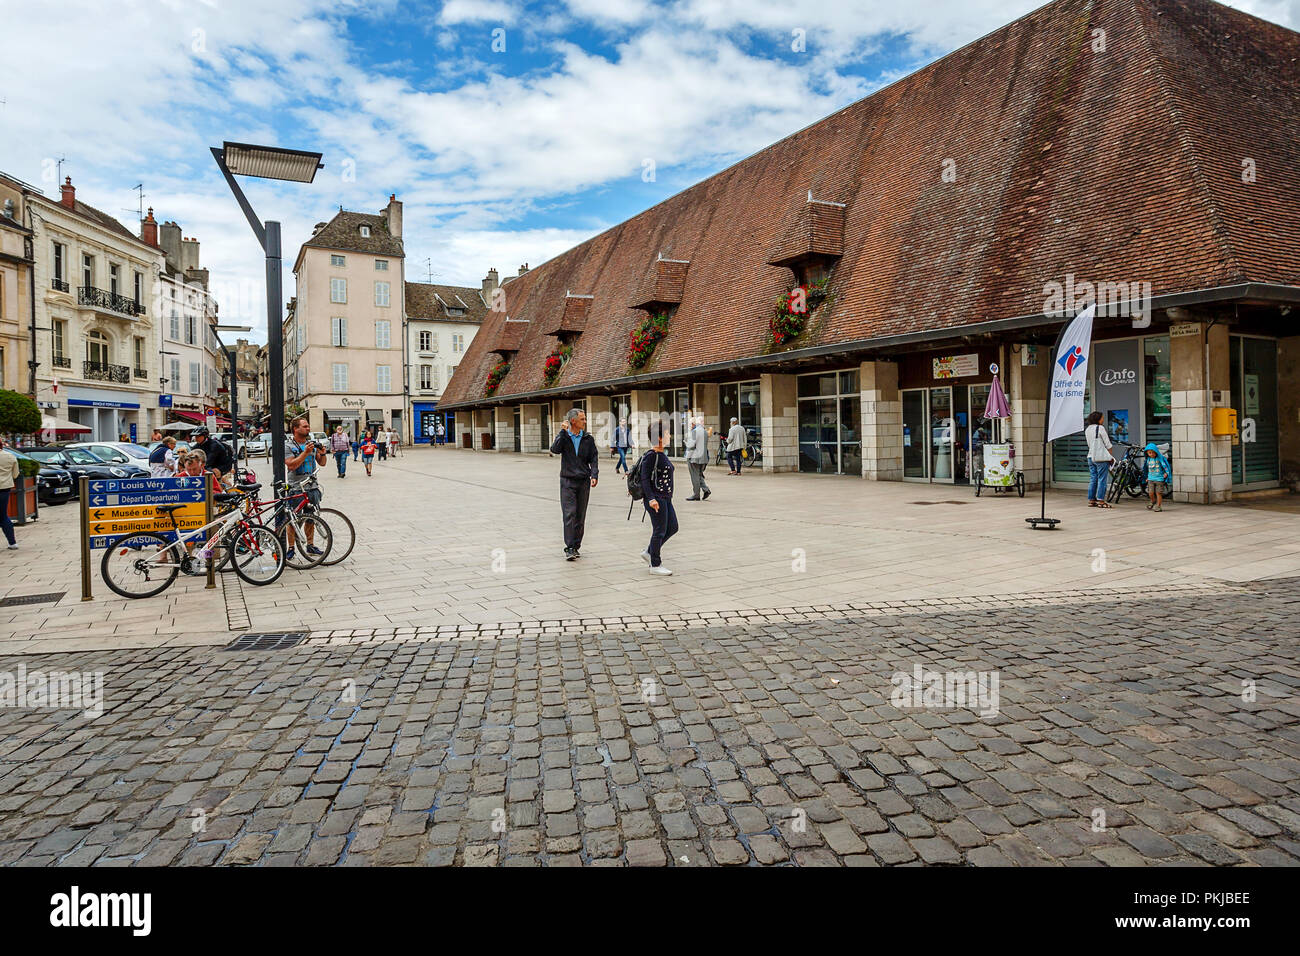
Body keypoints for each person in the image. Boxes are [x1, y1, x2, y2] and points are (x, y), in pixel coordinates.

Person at [550, 407, 599, 560]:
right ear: (573, 421)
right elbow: (555, 449)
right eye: (582, 419)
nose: (585, 422)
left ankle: (576, 546)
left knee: (580, 515)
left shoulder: (588, 439)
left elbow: (594, 458)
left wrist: (594, 474)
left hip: (583, 481)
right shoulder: (565, 436)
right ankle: (569, 547)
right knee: (569, 514)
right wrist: (562, 433)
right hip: (567, 481)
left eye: (585, 419)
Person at [284, 415, 328, 558]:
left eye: (308, 426)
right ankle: (291, 548)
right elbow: (291, 465)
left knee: (311, 518)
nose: (308, 428)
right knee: (293, 520)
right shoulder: (288, 446)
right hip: (296, 488)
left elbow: (322, 463)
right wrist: (305, 452)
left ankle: (310, 545)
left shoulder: (311, 444)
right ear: (295, 429)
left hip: (312, 487)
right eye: (305, 426)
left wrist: (323, 453)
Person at [639, 419, 676, 575]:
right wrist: (651, 499)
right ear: (659, 437)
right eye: (667, 433)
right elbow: (644, 479)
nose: (670, 436)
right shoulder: (651, 456)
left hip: (665, 498)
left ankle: (649, 552)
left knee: (673, 527)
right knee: (659, 530)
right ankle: (655, 564)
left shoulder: (661, 454)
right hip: (656, 499)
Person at [1085, 411, 1116, 508]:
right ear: (1098, 419)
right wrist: (1110, 456)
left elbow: (1090, 444)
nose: (1103, 419)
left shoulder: (1087, 429)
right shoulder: (1100, 428)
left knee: (1093, 478)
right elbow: (1108, 444)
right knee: (1102, 479)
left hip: (1090, 457)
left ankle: (1091, 500)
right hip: (1101, 458)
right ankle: (1101, 500)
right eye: (1102, 418)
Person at [683, 416, 711, 501]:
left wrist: (686, 443)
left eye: (691, 424)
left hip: (694, 457)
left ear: (693, 424)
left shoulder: (694, 431)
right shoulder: (705, 432)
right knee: (698, 475)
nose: (690, 426)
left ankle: (696, 495)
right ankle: (706, 490)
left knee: (694, 476)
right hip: (703, 457)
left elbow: (691, 445)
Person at [0, 439, 20, 550]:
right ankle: (12, 542)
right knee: (3, 516)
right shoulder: (10, 456)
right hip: (4, 488)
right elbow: (16, 474)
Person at [1144, 442, 1172, 512]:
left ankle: (1158, 506)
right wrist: (1147, 477)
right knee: (1150, 493)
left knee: (1158, 493)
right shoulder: (1148, 460)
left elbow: (1166, 466)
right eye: (1149, 453)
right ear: (1147, 453)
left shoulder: (1160, 459)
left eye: (1153, 452)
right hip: (1150, 479)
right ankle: (1153, 501)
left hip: (1159, 479)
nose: (1151, 454)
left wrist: (1166, 473)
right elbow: (1147, 469)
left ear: (1156, 452)